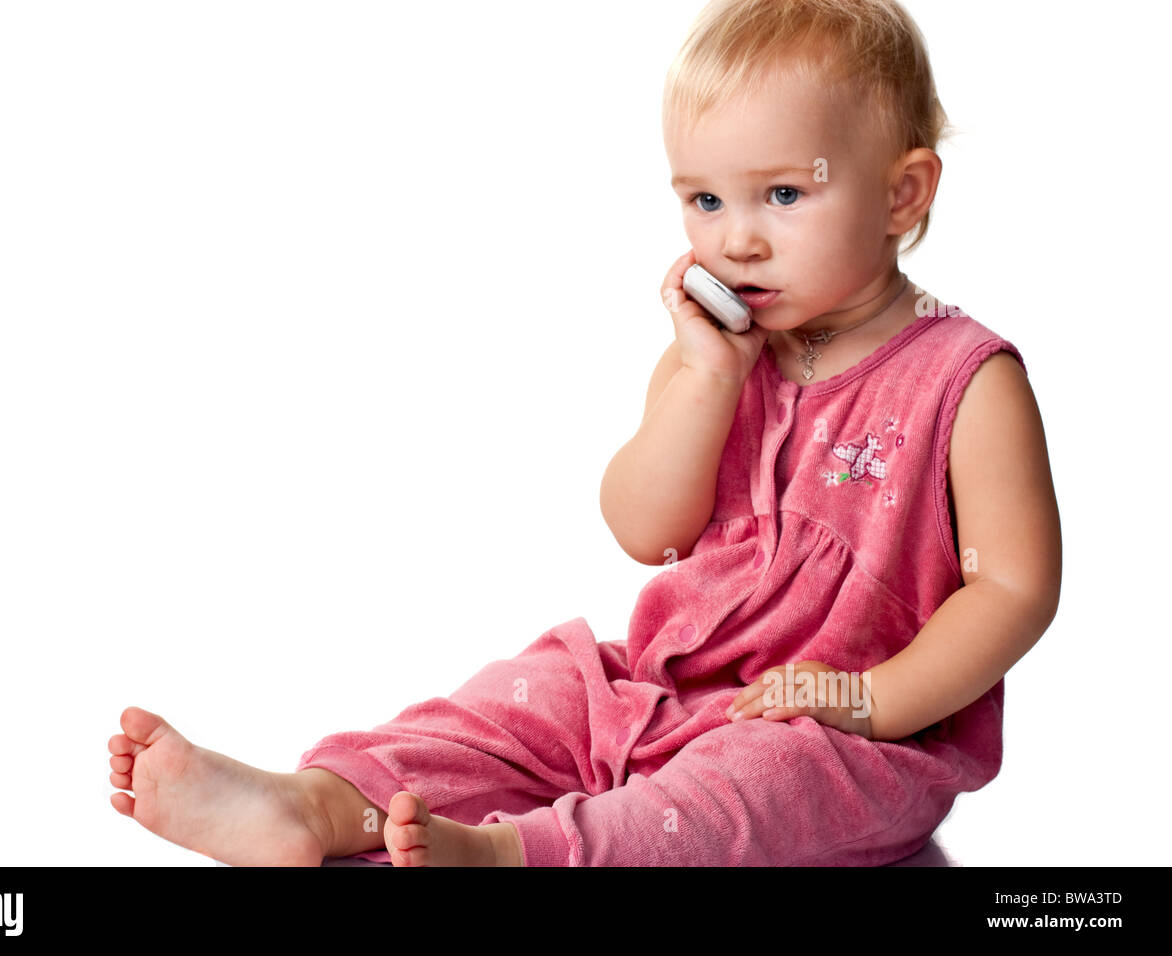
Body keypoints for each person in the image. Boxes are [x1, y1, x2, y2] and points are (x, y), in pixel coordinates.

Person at [106, 0, 1061, 866]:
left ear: (903, 195)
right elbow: (646, 529)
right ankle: (319, 805)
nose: (737, 240)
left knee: (749, 790)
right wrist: (707, 379)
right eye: (704, 200)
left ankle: (512, 856)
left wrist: (870, 701)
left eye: (782, 195)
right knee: (515, 703)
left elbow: (1013, 587)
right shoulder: (721, 359)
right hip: (654, 690)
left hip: (843, 736)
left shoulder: (963, 380)